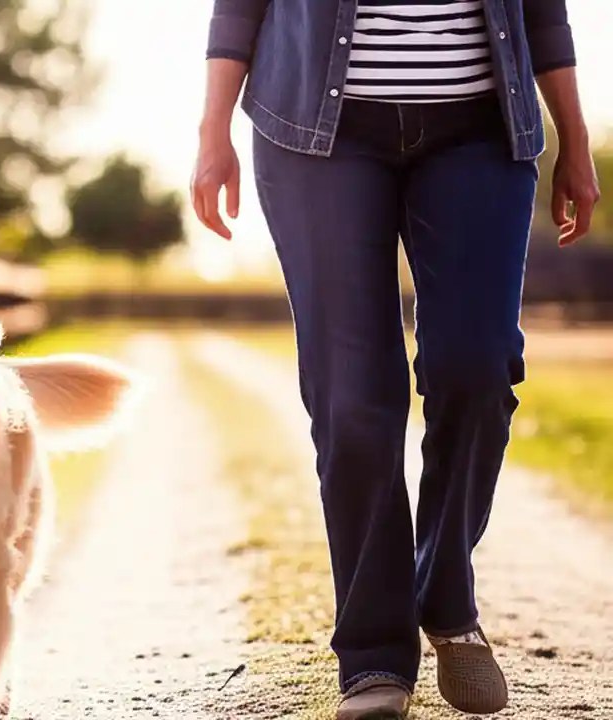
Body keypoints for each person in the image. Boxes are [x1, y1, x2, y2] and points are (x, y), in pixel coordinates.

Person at [191, 1, 599, 718]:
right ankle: (375, 657)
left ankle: (445, 591)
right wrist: (211, 130)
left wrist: (577, 136)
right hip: (314, 130)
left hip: (481, 126)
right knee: (351, 397)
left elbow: (543, 12)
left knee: (477, 365)